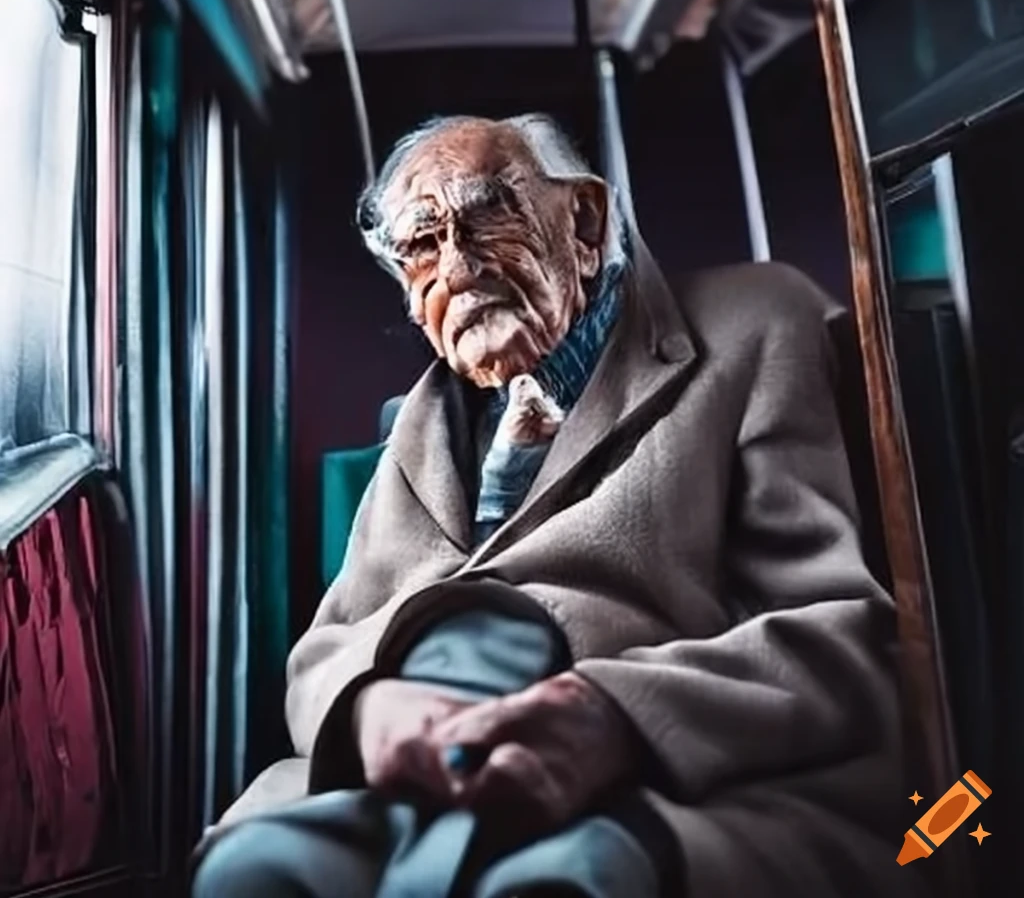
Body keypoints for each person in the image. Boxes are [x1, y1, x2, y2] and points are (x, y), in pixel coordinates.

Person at [191, 114, 925, 897]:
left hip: (647, 784)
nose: (459, 267)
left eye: (487, 215)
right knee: (251, 874)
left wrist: (616, 714)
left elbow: (846, 632)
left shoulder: (757, 324)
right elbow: (324, 649)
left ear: (584, 217)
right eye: (422, 247)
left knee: (556, 883)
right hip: (409, 784)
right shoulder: (420, 420)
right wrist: (370, 709)